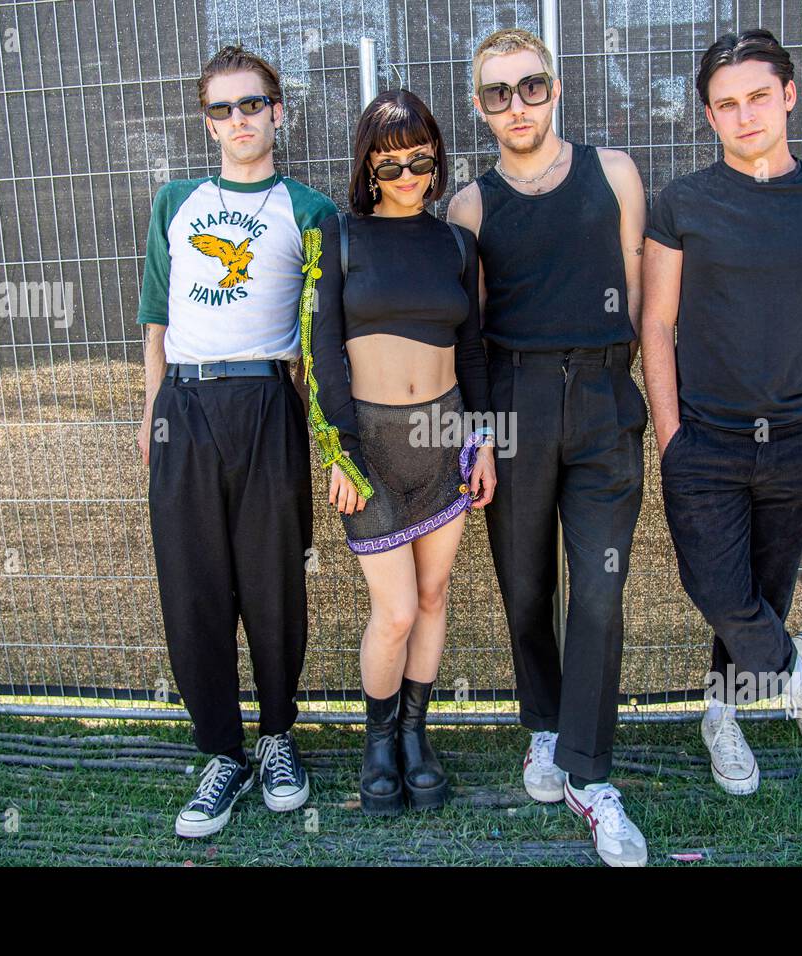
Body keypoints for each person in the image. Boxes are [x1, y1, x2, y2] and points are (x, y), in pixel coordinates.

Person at [641, 29, 802, 796]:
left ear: (788, 96)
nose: (745, 116)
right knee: (715, 585)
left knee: (762, 596)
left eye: (758, 97)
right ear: (709, 117)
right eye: (726, 105)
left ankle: (723, 717)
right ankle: (793, 666)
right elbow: (655, 322)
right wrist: (672, 435)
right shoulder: (682, 202)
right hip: (705, 442)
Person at [448, 28, 649, 866]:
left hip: (603, 396)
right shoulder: (469, 205)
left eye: (530, 86)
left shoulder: (617, 172)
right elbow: (473, 337)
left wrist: (612, 384)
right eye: (498, 93)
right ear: (480, 107)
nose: (516, 105)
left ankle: (589, 775)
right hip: (516, 402)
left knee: (598, 591)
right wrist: (482, 440)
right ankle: (542, 724)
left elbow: (636, 291)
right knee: (526, 583)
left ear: (556, 87)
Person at [136, 46, 337, 837]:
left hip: (267, 402)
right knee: (192, 586)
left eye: (251, 105)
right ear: (206, 121)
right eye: (220, 109)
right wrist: (151, 411)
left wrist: (319, 434)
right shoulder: (176, 202)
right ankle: (221, 751)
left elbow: (323, 336)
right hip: (184, 403)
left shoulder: (312, 210)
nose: (237, 121)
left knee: (274, 583)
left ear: (278, 112)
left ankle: (278, 736)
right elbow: (155, 319)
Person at [303, 89, 496, 814]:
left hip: (445, 438)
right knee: (394, 611)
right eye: (392, 165)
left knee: (434, 597)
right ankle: (377, 743)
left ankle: (416, 737)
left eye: (421, 160)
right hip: (369, 448)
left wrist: (483, 443)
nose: (410, 175)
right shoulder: (337, 234)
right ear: (368, 167)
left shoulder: (455, 243)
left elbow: (472, 349)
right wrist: (338, 451)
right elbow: (317, 353)